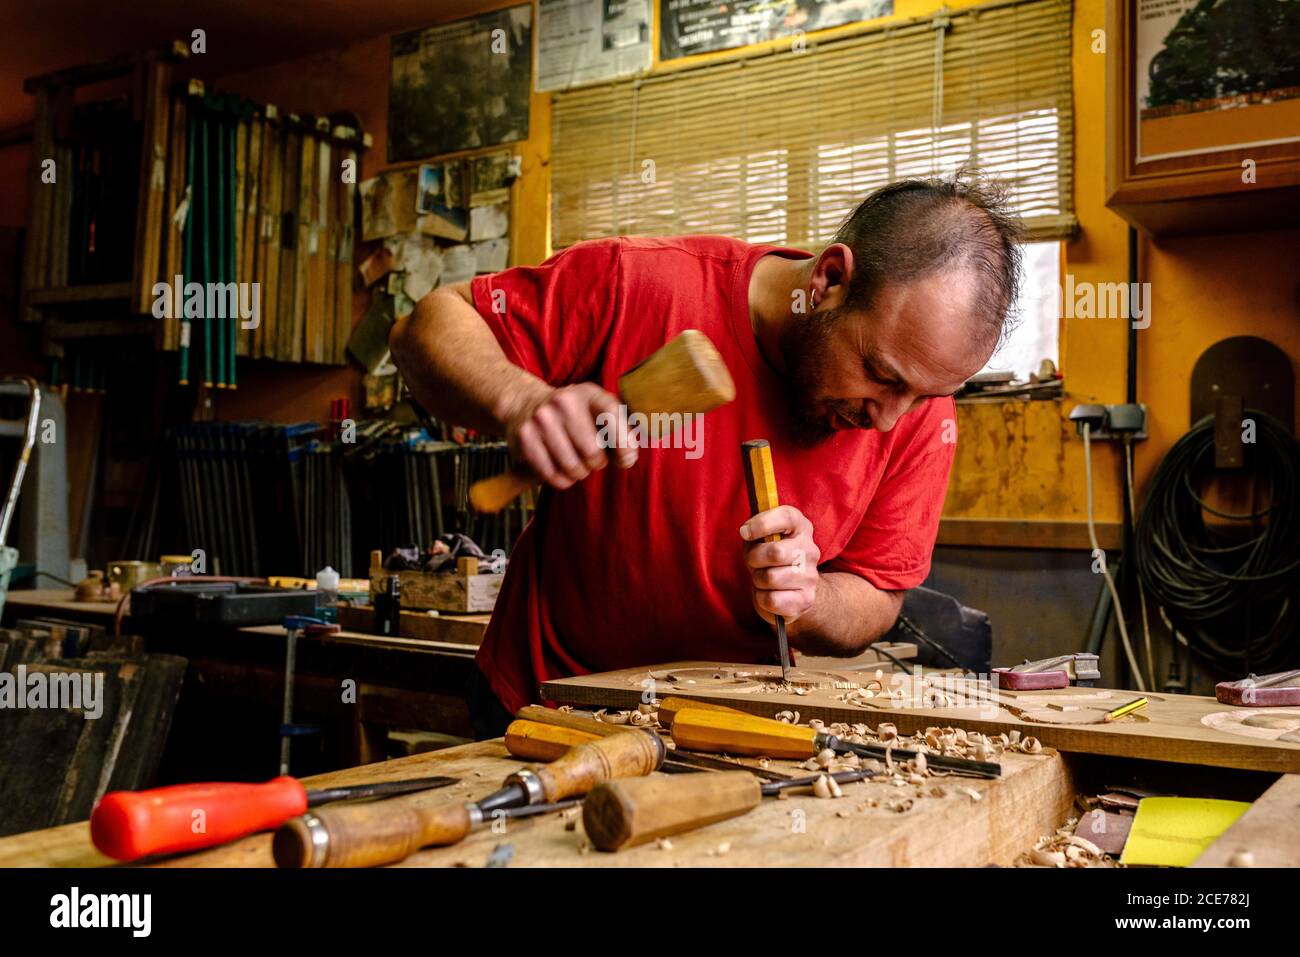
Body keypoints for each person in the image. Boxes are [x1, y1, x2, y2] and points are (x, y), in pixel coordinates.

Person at [391, 173, 1023, 738]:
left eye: (923, 395)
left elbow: (878, 593)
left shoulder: (918, 413)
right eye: (878, 373)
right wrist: (518, 398)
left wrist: (809, 598)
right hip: (541, 710)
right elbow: (425, 327)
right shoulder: (640, 284)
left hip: (727, 730)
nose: (888, 418)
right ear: (829, 280)